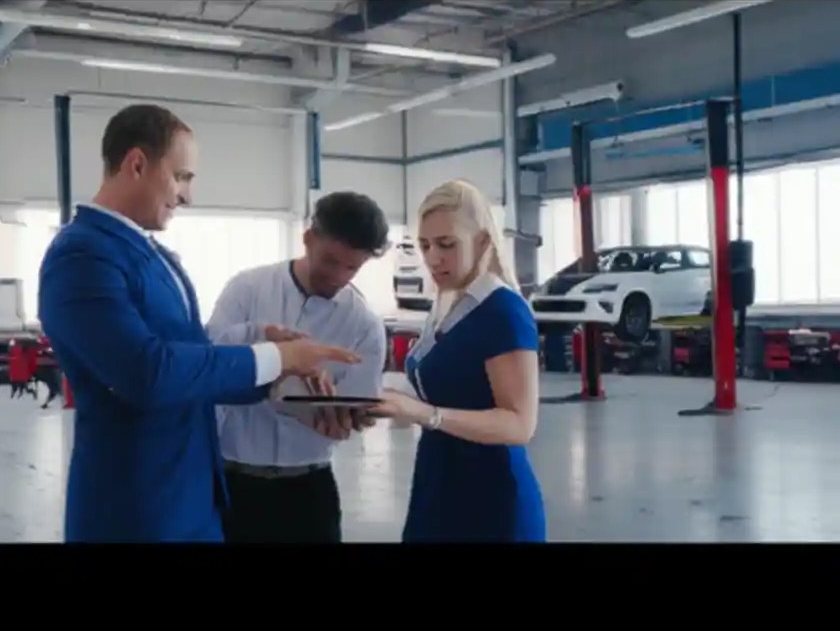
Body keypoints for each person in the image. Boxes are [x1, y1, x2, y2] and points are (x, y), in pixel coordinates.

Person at [37, 104, 362, 543]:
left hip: (189, 498)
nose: (187, 195)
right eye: (182, 176)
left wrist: (273, 361)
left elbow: (189, 359)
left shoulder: (145, 253)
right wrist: (272, 356)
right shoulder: (82, 255)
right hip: (137, 510)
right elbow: (147, 372)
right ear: (137, 164)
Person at [367, 178, 546, 542]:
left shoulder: (502, 311)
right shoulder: (447, 301)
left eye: (447, 244)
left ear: (482, 241)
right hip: (440, 479)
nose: (434, 257)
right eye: (425, 245)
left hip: (489, 495)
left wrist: (425, 415)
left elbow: (519, 425)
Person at [206, 191, 390, 543]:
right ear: (308, 238)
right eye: (330, 261)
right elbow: (211, 361)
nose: (338, 277)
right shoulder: (248, 289)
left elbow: (358, 404)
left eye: (352, 267)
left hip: (309, 488)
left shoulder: (365, 326)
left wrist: (349, 420)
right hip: (233, 482)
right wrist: (269, 353)